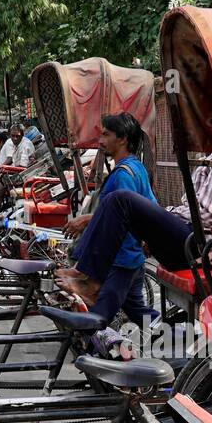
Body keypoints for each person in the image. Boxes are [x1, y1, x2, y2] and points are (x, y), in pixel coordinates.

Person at [57, 112, 170, 323]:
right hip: (130, 258)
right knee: (141, 314)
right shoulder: (136, 167)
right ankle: (183, 341)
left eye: (106, 135)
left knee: (96, 320)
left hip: (120, 259)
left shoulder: (124, 175)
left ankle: (90, 354)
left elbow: (124, 216)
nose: (100, 141)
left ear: (122, 139)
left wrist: (87, 219)